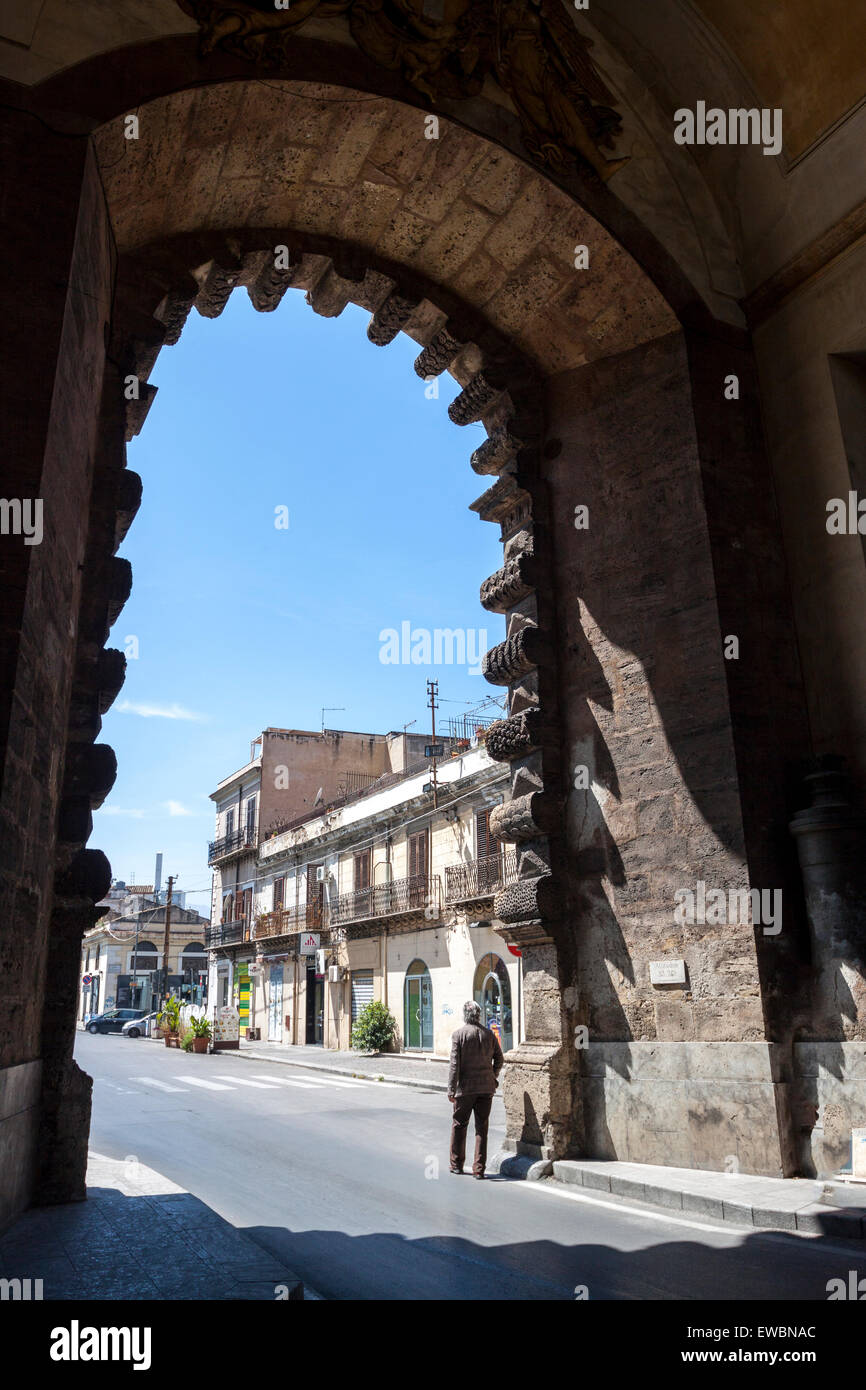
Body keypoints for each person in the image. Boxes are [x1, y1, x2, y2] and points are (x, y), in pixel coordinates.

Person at [448, 1000, 504, 1179]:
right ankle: (479, 1169)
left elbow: (454, 1065)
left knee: (459, 1125)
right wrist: (492, 1075)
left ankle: (456, 1164)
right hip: (486, 1088)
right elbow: (499, 1059)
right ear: (479, 1015)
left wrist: (451, 1089)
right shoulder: (489, 1034)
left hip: (465, 1089)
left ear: (465, 1015)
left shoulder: (459, 1035)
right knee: (482, 1128)